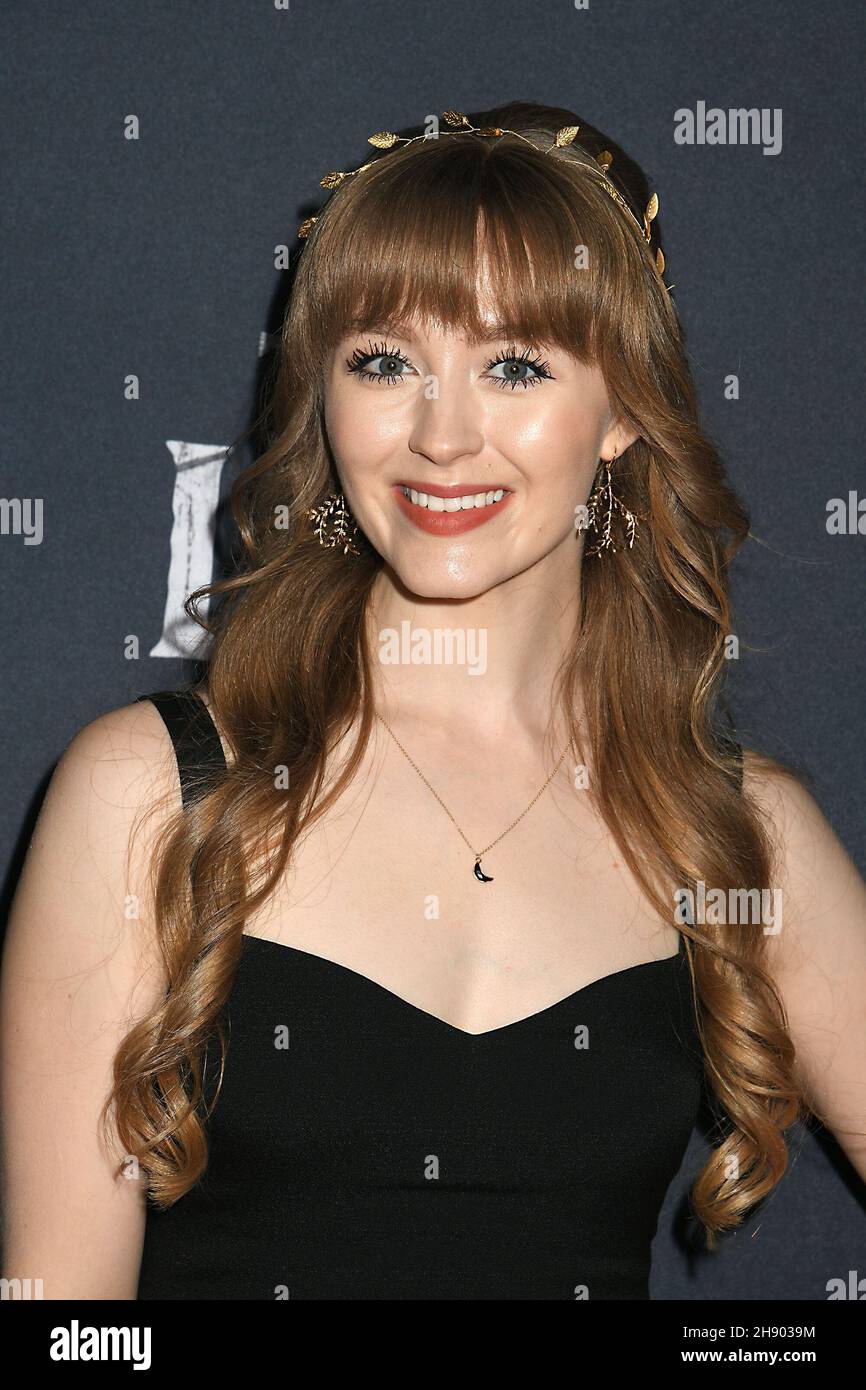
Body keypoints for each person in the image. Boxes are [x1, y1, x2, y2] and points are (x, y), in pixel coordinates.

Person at [2, 101, 864, 1301]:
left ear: (621, 413)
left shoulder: (731, 830)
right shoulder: (150, 793)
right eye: (384, 362)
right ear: (324, 394)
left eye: (513, 365)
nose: (440, 435)